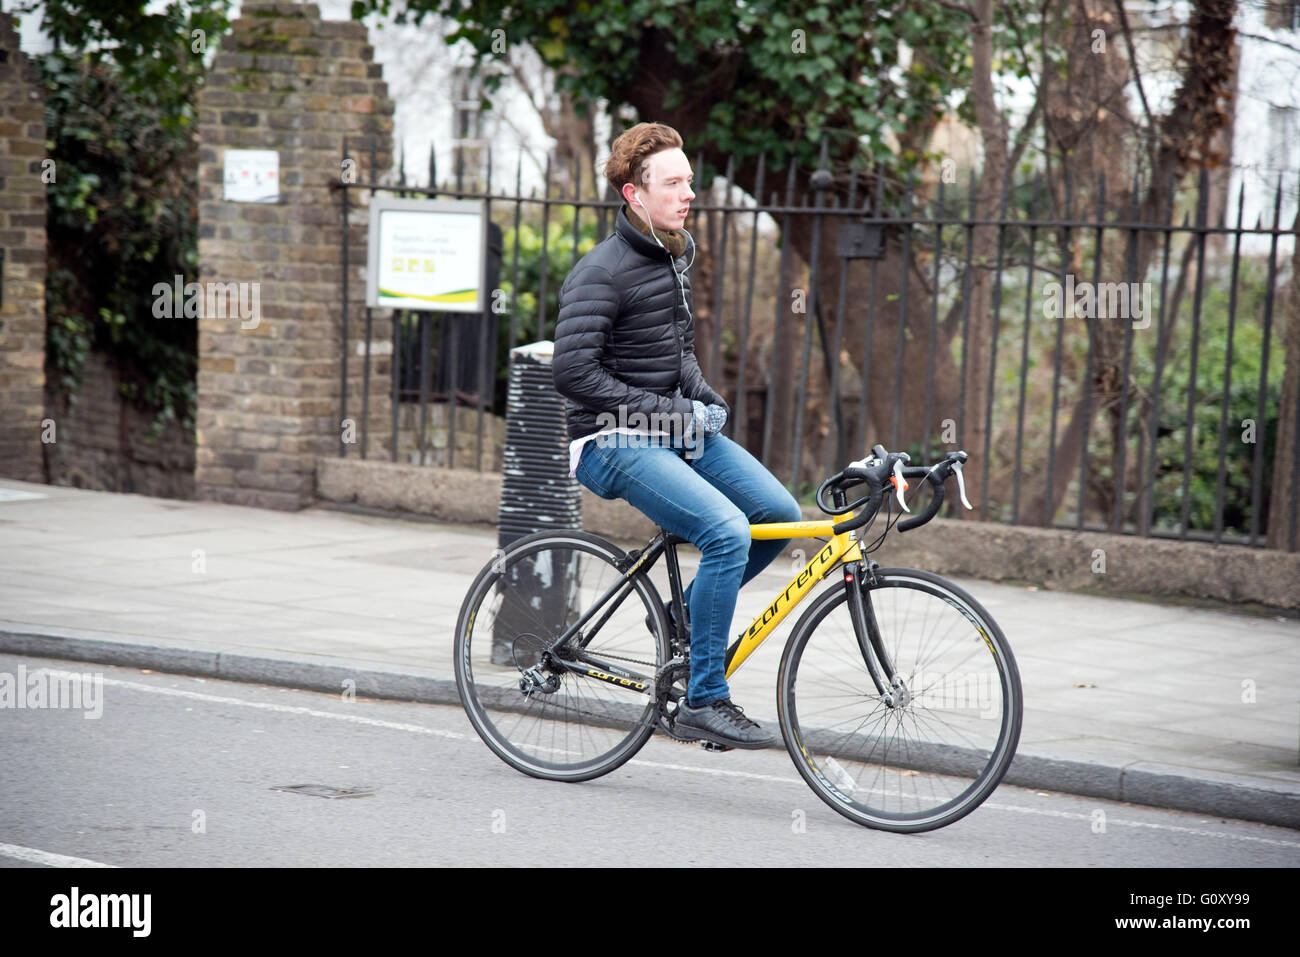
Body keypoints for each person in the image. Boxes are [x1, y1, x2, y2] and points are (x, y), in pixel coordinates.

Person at [552, 121, 803, 750]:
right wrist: (661, 412)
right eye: (673, 183)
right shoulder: (601, 272)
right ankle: (704, 699)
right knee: (725, 530)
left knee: (778, 512)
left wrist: (703, 398)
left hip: (669, 427)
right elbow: (573, 372)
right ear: (635, 195)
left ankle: (680, 616)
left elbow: (675, 354)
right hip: (609, 440)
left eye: (689, 181)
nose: (688, 193)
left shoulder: (673, 255)